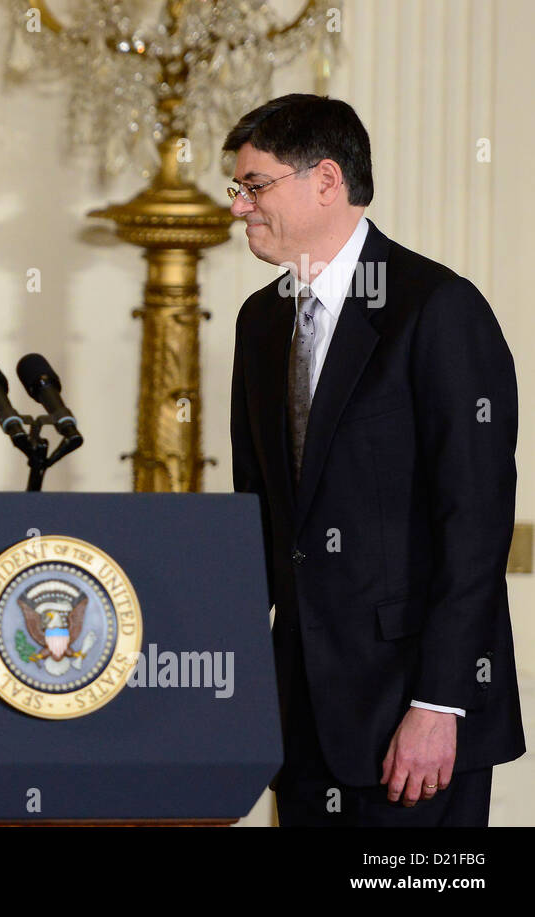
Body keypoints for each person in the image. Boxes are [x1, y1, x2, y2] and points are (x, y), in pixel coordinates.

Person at [224, 94, 524, 826]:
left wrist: (437, 702)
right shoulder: (260, 321)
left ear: (326, 180)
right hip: (299, 721)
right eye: (237, 189)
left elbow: (476, 524)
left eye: (254, 185)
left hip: (412, 720)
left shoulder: (438, 309)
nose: (238, 208)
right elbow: (258, 518)